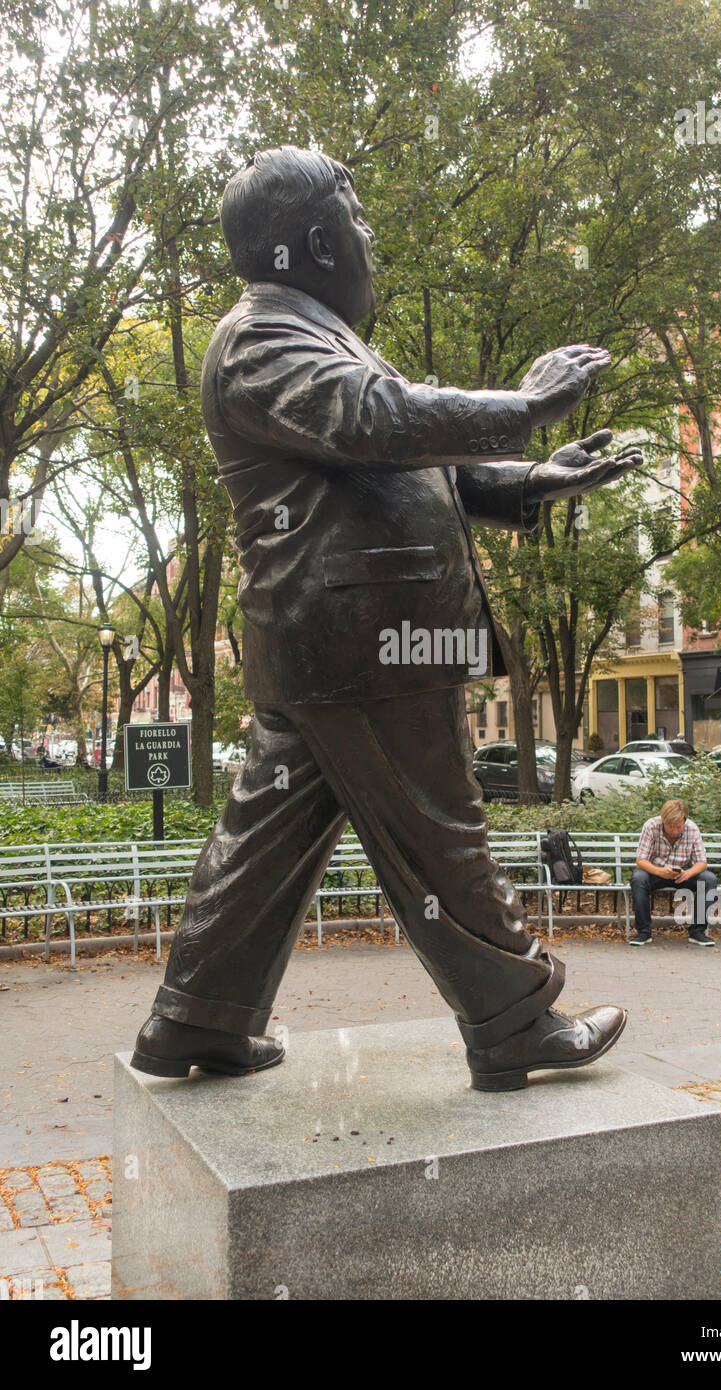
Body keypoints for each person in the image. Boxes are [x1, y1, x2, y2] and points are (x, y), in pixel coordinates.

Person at [131, 145, 644, 1092]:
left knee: (271, 833)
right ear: (321, 241)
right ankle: (514, 1019)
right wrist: (523, 405)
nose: (371, 241)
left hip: (333, 641)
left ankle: (196, 1017)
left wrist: (534, 476)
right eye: (359, 221)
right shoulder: (265, 340)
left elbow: (411, 457)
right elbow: (376, 419)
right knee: (442, 828)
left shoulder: (314, 333)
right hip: (365, 641)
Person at [629, 798, 718, 947]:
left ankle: (697, 932)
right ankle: (643, 932)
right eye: (671, 826)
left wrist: (688, 873)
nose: (675, 831)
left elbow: (702, 863)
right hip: (656, 872)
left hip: (683, 874)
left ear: (685, 820)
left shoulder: (692, 829)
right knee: (638, 878)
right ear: (663, 820)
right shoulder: (651, 826)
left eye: (679, 826)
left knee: (709, 879)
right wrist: (659, 871)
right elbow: (641, 860)